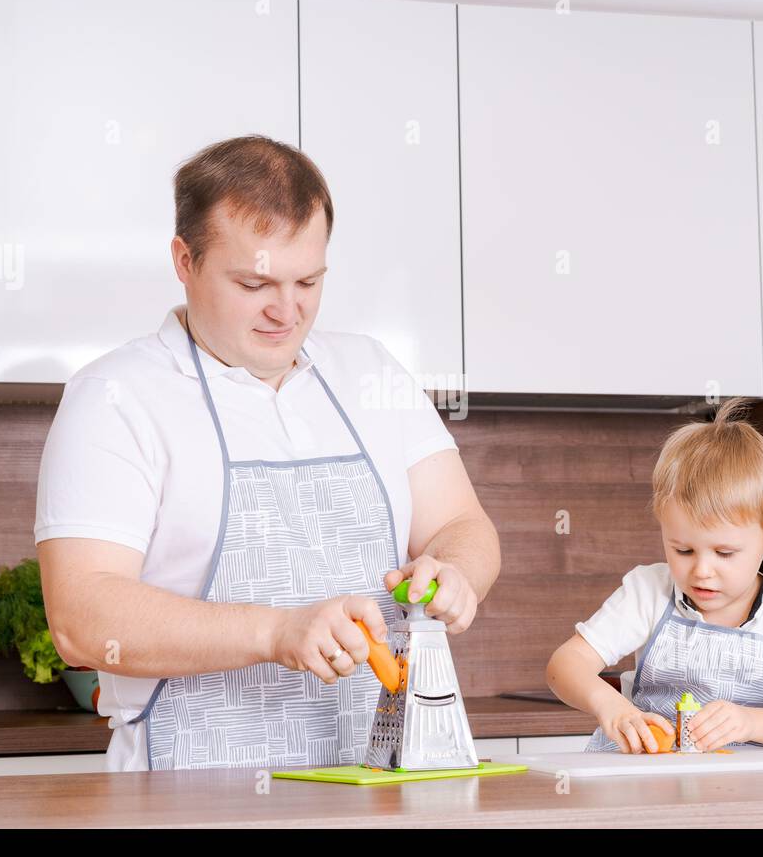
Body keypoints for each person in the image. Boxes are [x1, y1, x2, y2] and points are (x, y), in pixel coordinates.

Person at [34, 135, 501, 771]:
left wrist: (456, 572)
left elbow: (461, 526)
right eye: (254, 283)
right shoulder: (116, 396)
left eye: (308, 279)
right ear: (185, 260)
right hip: (189, 797)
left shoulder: (370, 370)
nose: (287, 310)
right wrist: (275, 633)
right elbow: (82, 618)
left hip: (385, 788)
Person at [546, 397, 763, 754]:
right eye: (683, 550)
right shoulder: (648, 592)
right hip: (647, 786)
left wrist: (751, 722)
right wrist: (612, 706)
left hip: (753, 798)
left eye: (724, 553)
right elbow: (564, 666)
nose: (702, 571)